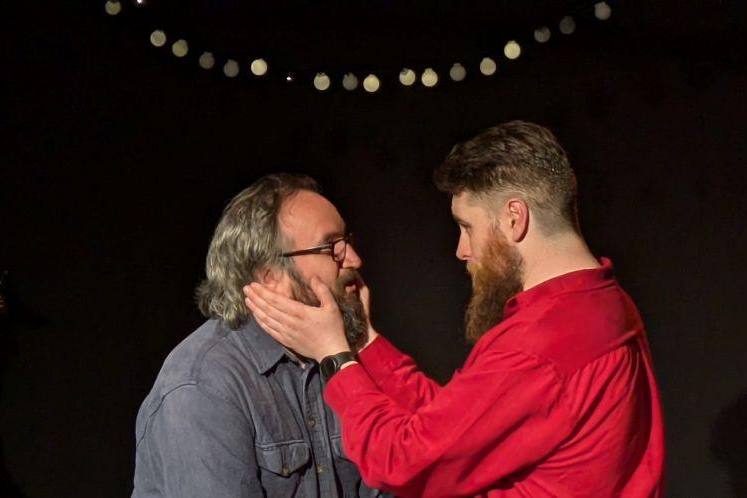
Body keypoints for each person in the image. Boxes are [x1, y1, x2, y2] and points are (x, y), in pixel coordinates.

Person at [243, 121, 666, 497]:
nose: (462, 250)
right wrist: (366, 343)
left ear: (514, 218)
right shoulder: (605, 303)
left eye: (467, 227)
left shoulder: (542, 342)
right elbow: (457, 429)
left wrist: (334, 357)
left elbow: (401, 464)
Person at [132, 173, 386, 497]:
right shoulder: (205, 385)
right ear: (270, 278)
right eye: (331, 247)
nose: (353, 259)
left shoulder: (338, 359)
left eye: (347, 242)